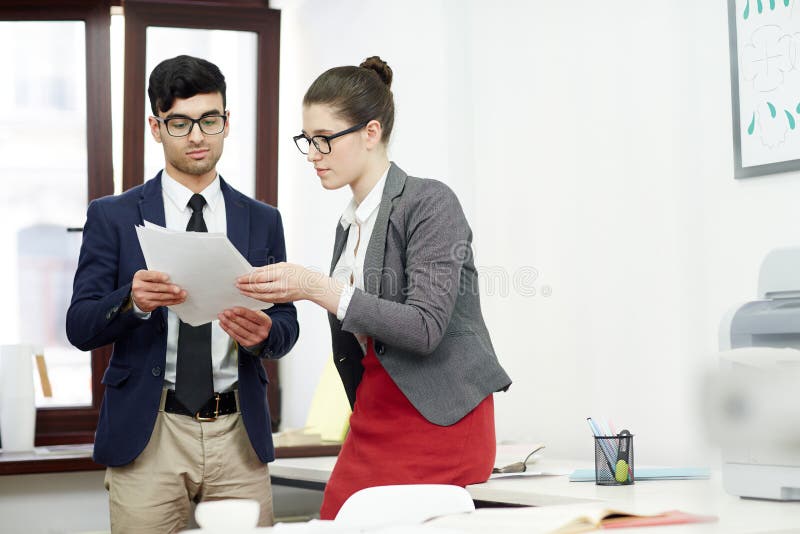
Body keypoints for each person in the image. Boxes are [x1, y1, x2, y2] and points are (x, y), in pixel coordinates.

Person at [236, 56, 511, 519]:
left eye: (325, 140)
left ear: (370, 132)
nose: (313, 155)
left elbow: (425, 327)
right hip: (373, 413)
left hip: (437, 418)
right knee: (334, 520)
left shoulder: (430, 202)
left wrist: (312, 285)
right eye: (307, 140)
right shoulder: (349, 226)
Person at [66, 55, 298, 532]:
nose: (197, 136)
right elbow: (80, 325)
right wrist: (132, 301)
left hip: (238, 431)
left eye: (209, 120)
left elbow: (287, 325)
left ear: (226, 122)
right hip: (150, 432)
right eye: (180, 123)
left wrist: (264, 334)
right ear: (156, 127)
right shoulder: (113, 216)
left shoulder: (263, 218)